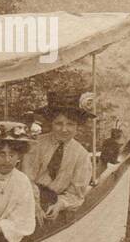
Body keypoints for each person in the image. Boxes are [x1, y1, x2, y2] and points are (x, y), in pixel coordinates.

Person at [21, 91, 95, 220]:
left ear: (77, 126)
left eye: (70, 124)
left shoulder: (81, 155)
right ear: (51, 123)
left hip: (54, 202)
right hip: (26, 198)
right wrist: (34, 204)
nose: (64, 129)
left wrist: (60, 204)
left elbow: (76, 194)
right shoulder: (36, 144)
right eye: (59, 123)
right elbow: (26, 179)